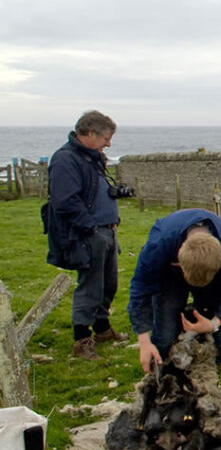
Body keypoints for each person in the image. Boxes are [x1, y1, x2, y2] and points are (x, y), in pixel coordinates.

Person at [44, 110, 130, 360]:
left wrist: (114, 193)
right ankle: (82, 340)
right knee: (90, 287)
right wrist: (91, 228)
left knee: (109, 285)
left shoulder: (92, 157)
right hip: (88, 234)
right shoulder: (66, 159)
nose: (109, 143)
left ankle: (102, 329)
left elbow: (94, 191)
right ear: (90, 133)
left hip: (107, 231)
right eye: (106, 137)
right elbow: (64, 201)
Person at [128, 209, 221, 373]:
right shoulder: (159, 245)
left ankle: (209, 382)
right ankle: (163, 384)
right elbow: (140, 287)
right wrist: (144, 341)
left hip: (214, 278)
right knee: (165, 334)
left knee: (218, 342)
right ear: (178, 261)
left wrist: (214, 323)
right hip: (171, 272)